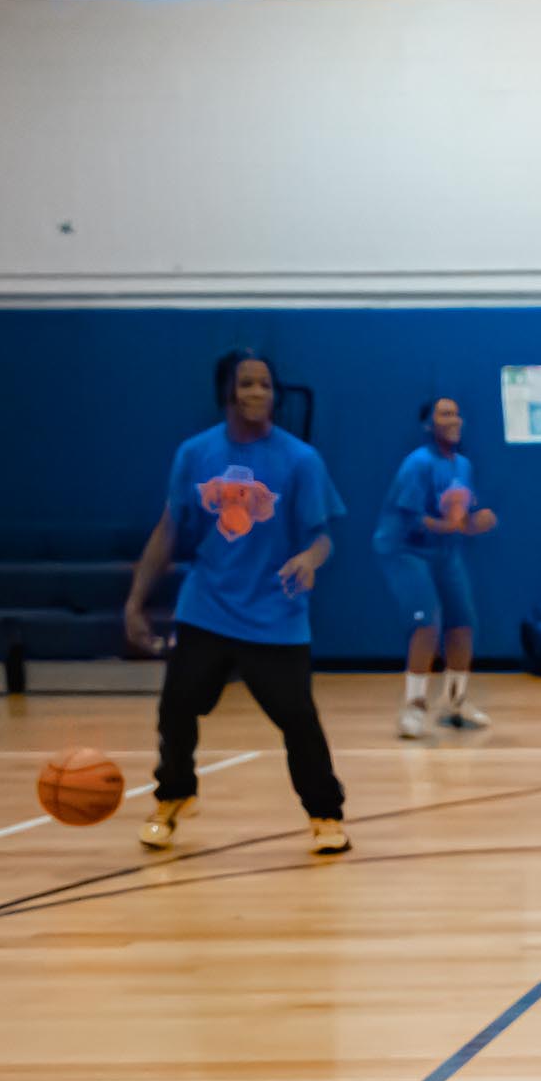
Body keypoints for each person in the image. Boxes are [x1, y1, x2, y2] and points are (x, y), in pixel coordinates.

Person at [122, 350, 349, 855]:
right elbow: (169, 530)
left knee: (297, 719)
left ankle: (325, 814)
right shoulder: (195, 454)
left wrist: (309, 560)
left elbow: (322, 538)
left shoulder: (300, 460)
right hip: (207, 606)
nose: (257, 393)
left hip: (275, 614)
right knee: (176, 708)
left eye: (265, 385)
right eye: (247, 384)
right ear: (227, 391)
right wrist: (136, 600)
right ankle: (174, 795)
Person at [375, 396, 497, 738]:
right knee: (426, 622)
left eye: (457, 412)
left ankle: (455, 703)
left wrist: (475, 522)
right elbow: (415, 519)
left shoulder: (463, 466)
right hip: (405, 550)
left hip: (444, 551)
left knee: (462, 623)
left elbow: (458, 519)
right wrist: (464, 525)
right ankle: (413, 708)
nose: (454, 418)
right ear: (429, 424)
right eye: (445, 413)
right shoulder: (417, 464)